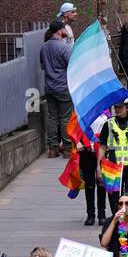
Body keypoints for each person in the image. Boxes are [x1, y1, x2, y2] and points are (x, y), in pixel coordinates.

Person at [39, 22, 72, 158]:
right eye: (64, 29)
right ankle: (67, 148)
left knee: (52, 117)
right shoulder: (64, 47)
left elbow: (42, 66)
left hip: (49, 87)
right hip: (63, 86)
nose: (66, 30)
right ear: (59, 31)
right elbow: (71, 65)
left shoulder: (44, 47)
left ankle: (52, 148)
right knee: (65, 118)